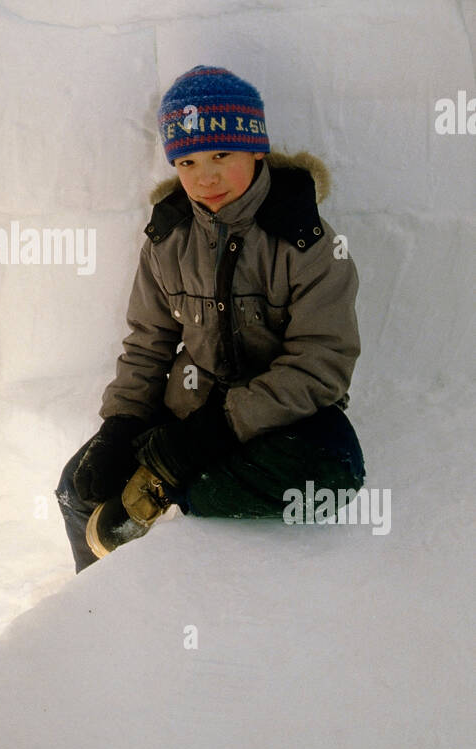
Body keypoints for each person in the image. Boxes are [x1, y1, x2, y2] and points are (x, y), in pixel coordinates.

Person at [55, 65, 366, 572]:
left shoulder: (308, 242)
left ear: (256, 148)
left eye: (222, 154)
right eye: (189, 161)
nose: (206, 176)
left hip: (284, 413)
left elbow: (320, 362)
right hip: (188, 407)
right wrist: (121, 423)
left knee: (326, 483)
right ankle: (99, 609)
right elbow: (149, 342)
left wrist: (209, 438)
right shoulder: (168, 240)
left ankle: (173, 493)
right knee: (79, 486)